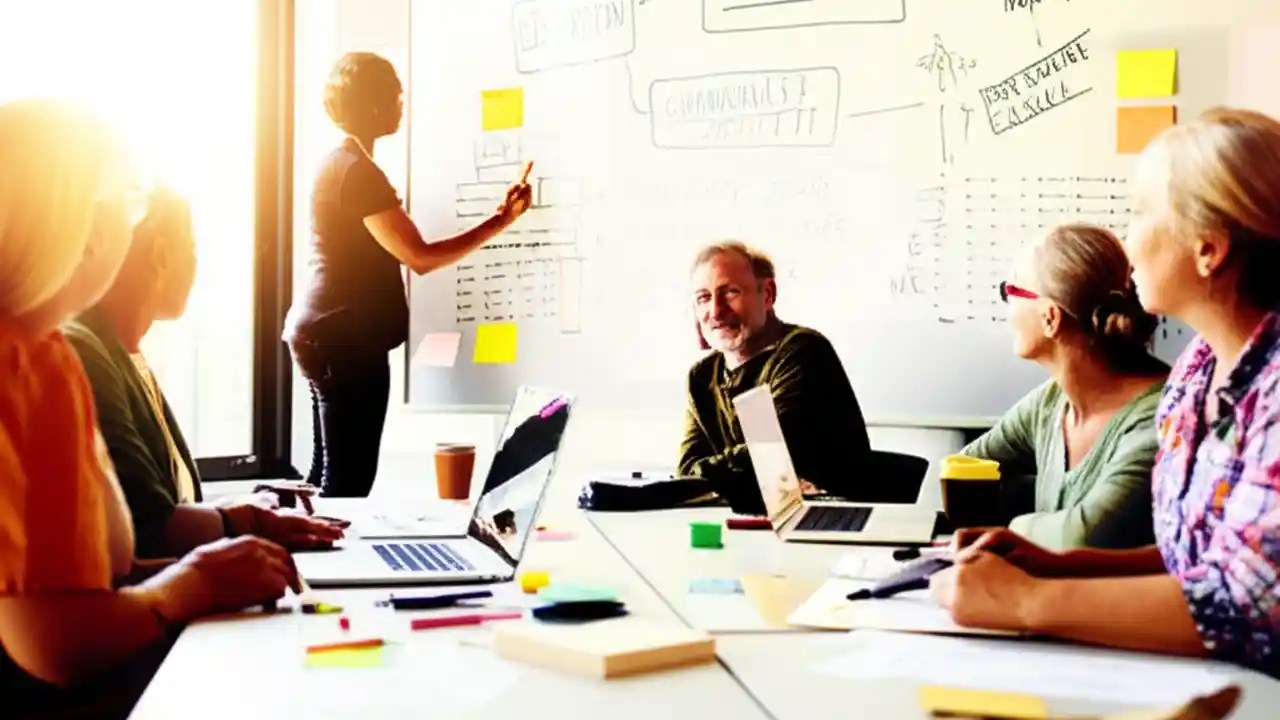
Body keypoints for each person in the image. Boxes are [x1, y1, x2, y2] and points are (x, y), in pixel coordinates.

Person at [931, 108, 1280, 676]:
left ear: (1208, 250)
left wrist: (1026, 601)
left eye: (1142, 214)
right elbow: (1197, 563)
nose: (1128, 242)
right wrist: (1056, 566)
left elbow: (1249, 607)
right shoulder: (1197, 370)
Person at [0, 101, 300, 718]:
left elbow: (82, 582)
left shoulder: (44, 349)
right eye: (129, 207)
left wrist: (210, 568)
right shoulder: (25, 366)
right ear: (82, 230)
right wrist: (190, 585)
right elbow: (51, 639)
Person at [285, 52, 533, 498]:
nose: (402, 103)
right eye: (395, 94)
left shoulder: (339, 164)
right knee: (348, 485)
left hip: (325, 334)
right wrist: (500, 220)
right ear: (374, 103)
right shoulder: (357, 173)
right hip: (346, 341)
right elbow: (419, 256)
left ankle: (300, 564)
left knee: (326, 479)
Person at [65, 187, 345, 559]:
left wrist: (243, 505)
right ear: (161, 255)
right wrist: (248, 522)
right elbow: (148, 524)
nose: (196, 266)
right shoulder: (87, 350)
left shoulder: (129, 354)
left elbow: (169, 501)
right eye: (192, 250)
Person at [959, 224, 1169, 550]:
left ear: (1049, 318)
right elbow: (965, 471)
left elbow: (1083, 537)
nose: (1007, 305)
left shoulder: (1161, 419)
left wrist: (1012, 527)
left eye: (1011, 291)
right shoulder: (1051, 403)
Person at [678, 241, 872, 511]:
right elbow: (687, 472)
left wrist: (718, 474)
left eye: (730, 293)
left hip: (828, 521)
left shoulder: (802, 352)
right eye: (703, 298)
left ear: (767, 294)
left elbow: (767, 456)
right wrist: (726, 472)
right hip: (752, 523)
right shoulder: (702, 376)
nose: (715, 311)